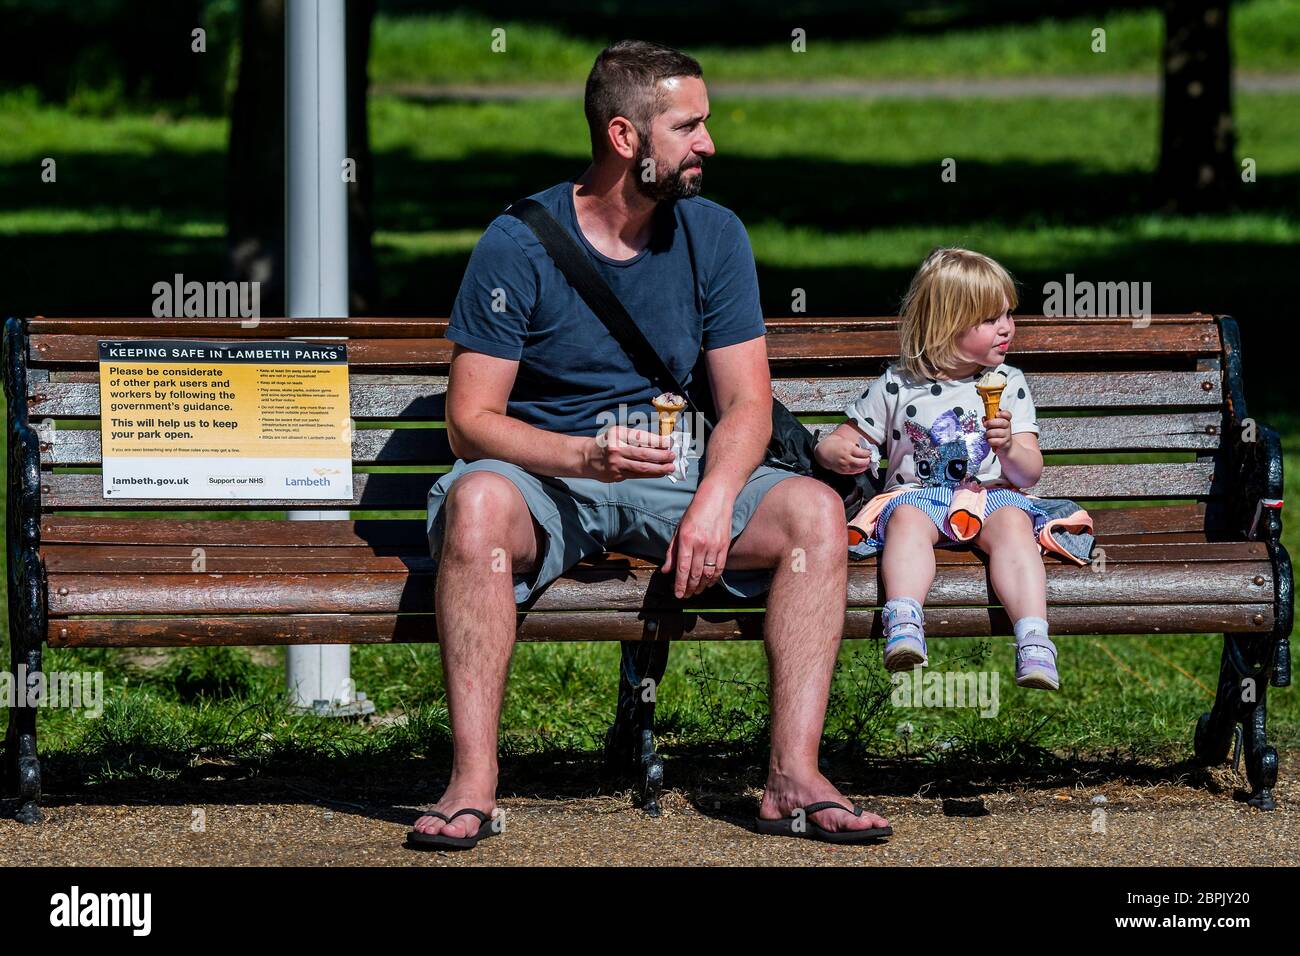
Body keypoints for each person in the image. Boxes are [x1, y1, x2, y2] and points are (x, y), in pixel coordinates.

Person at [409, 40, 891, 849]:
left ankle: (792, 779)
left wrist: (710, 504)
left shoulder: (714, 235)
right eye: (689, 125)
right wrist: (581, 457)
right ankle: (473, 785)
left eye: (706, 123)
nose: (709, 143)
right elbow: (470, 422)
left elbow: (745, 402)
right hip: (548, 478)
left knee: (812, 511)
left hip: (678, 471)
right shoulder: (518, 243)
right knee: (478, 498)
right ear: (626, 137)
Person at [813, 248, 1059, 691]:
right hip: (916, 499)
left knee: (1014, 528)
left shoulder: (1007, 384)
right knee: (905, 521)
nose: (1006, 327)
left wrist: (1008, 449)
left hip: (988, 497)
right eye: (989, 318)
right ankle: (904, 621)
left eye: (1007, 313)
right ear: (945, 323)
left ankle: (1034, 639)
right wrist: (836, 454)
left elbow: (1029, 474)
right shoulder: (897, 384)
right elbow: (840, 440)